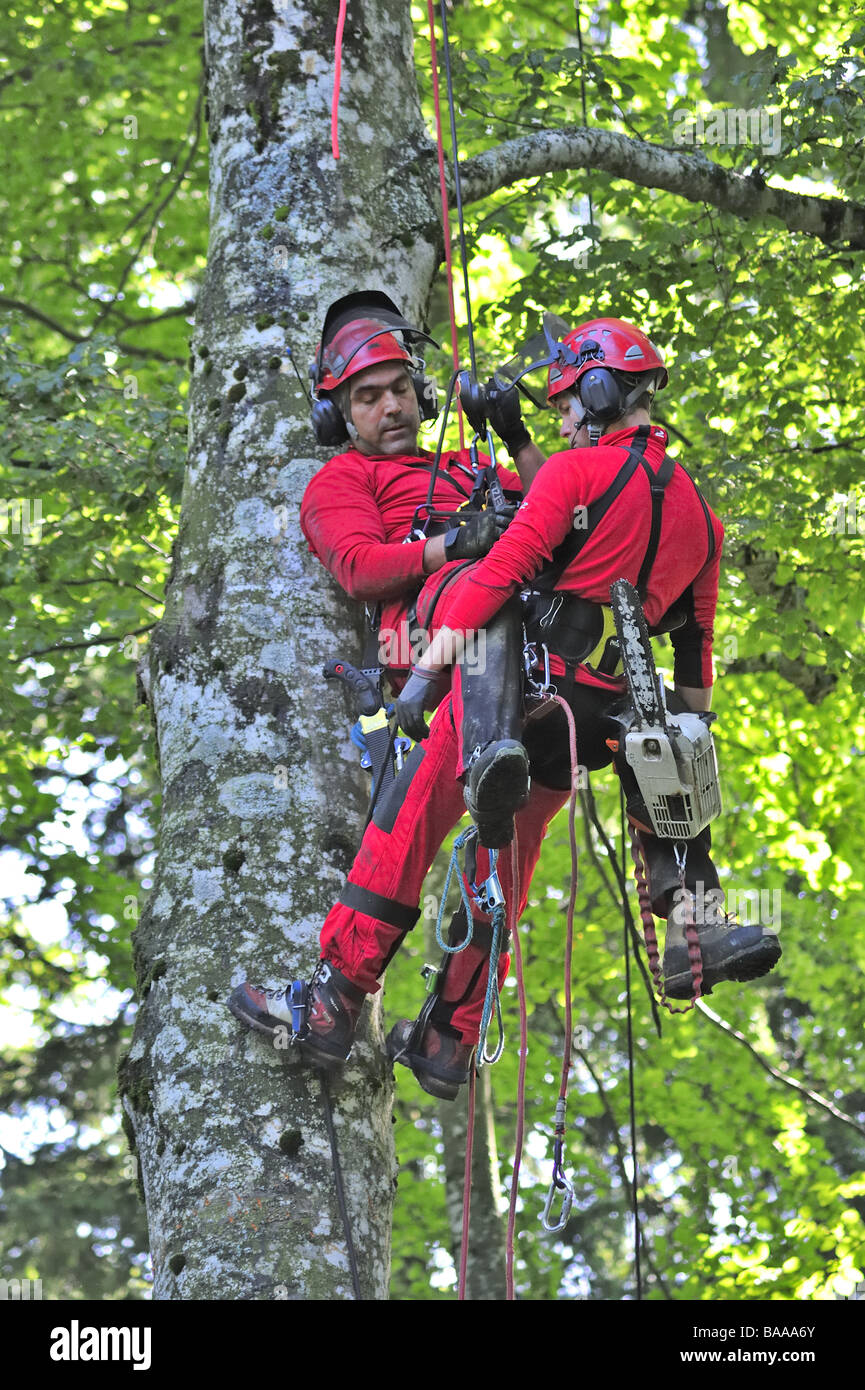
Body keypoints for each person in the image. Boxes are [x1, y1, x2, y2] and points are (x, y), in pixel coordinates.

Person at [228, 292, 569, 1100]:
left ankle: (430, 1025)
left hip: (533, 662)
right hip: (440, 656)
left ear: (421, 392)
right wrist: (452, 545)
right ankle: (358, 1002)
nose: (389, 407)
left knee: (499, 853)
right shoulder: (343, 480)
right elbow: (358, 565)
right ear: (338, 413)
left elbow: (562, 509)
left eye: (398, 390)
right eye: (365, 396)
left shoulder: (470, 465)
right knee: (416, 825)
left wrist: (516, 436)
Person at [394, 316, 782, 1000]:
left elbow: (502, 571)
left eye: (568, 405)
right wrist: (695, 732)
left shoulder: (578, 469)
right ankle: (697, 927)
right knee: (670, 740)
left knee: (646, 739)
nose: (565, 424)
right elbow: (694, 652)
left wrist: (424, 671)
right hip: (615, 710)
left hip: (531, 692)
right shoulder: (699, 512)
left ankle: (690, 937)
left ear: (600, 393)